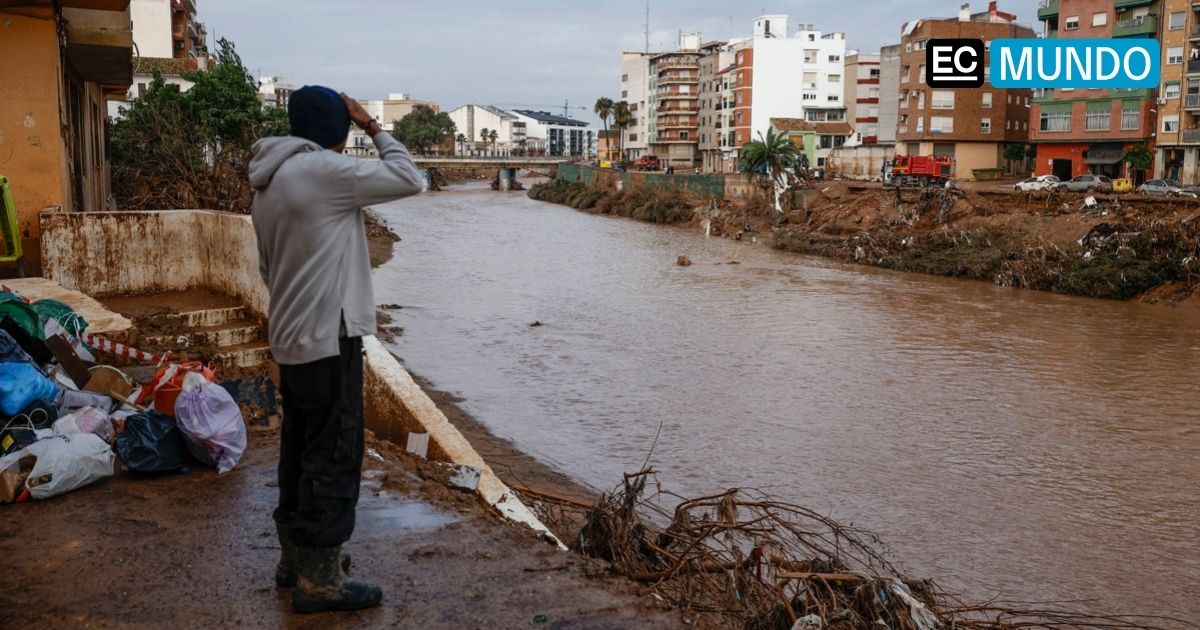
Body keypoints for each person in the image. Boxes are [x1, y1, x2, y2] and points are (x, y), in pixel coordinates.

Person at [249, 85, 424, 614]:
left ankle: (294, 559)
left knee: (299, 450)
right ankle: (320, 580)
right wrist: (373, 125)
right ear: (336, 128)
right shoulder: (323, 173)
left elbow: (266, 267)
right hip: (329, 337)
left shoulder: (269, 181)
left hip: (291, 335)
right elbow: (410, 178)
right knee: (334, 451)